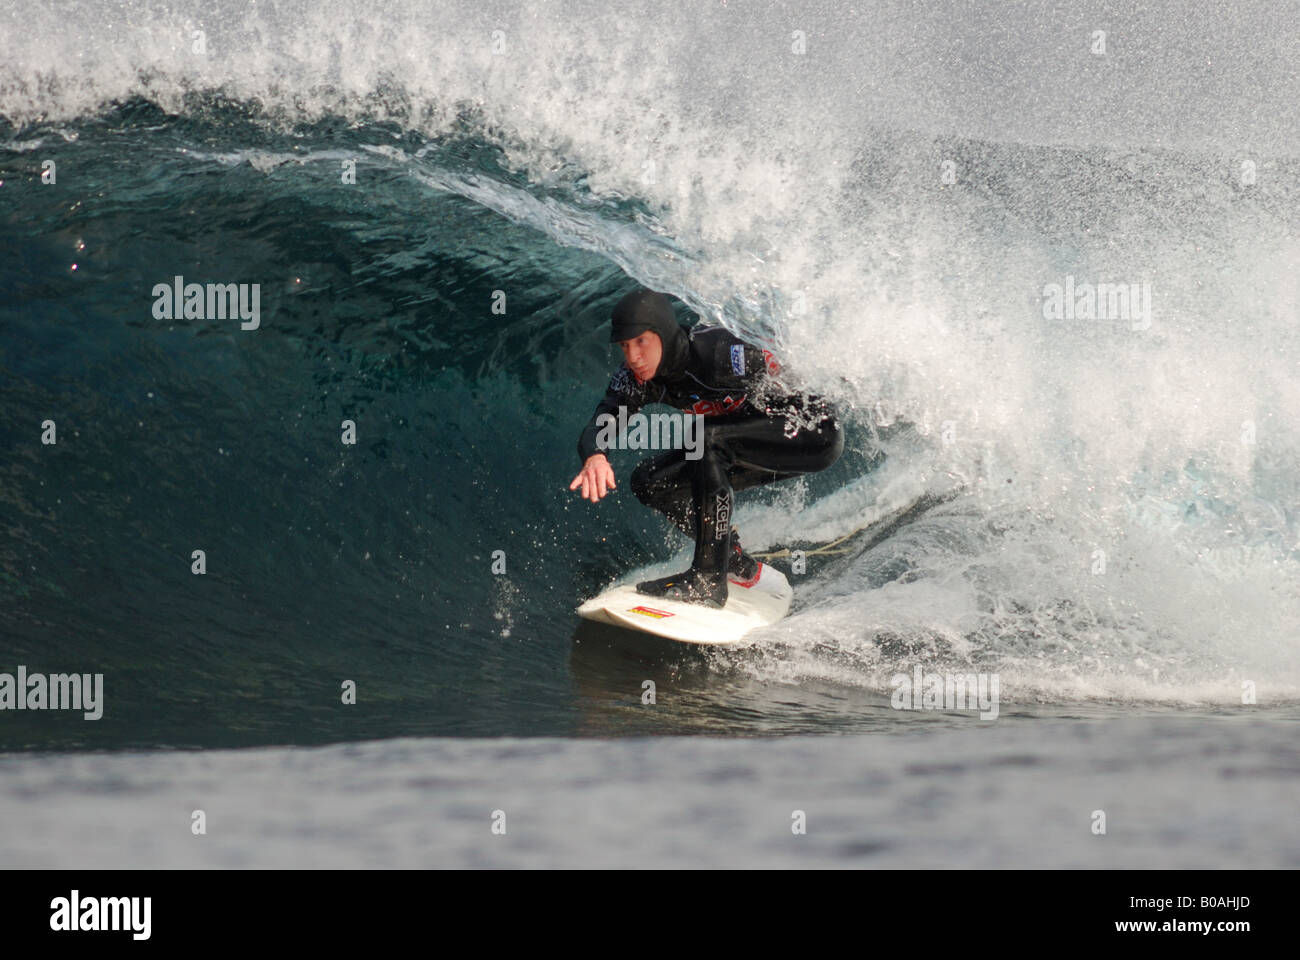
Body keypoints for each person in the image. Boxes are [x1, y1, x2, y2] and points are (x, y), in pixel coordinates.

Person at [570, 288, 844, 607]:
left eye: (641, 342)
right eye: (624, 346)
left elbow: (799, 370)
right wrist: (595, 454)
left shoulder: (721, 352)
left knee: (705, 438)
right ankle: (732, 559)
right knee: (651, 482)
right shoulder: (636, 379)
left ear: (663, 332)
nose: (632, 357)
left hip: (812, 435)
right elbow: (603, 419)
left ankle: (708, 580)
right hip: (746, 444)